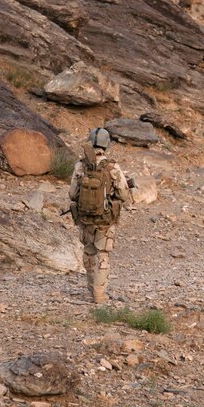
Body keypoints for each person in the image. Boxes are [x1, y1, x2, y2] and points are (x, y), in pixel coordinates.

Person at [69, 127, 132, 304]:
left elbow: (72, 194)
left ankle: (91, 291)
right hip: (105, 220)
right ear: (106, 145)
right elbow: (124, 195)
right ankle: (99, 295)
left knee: (88, 252)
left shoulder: (81, 165)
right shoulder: (112, 167)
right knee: (102, 254)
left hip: (85, 219)